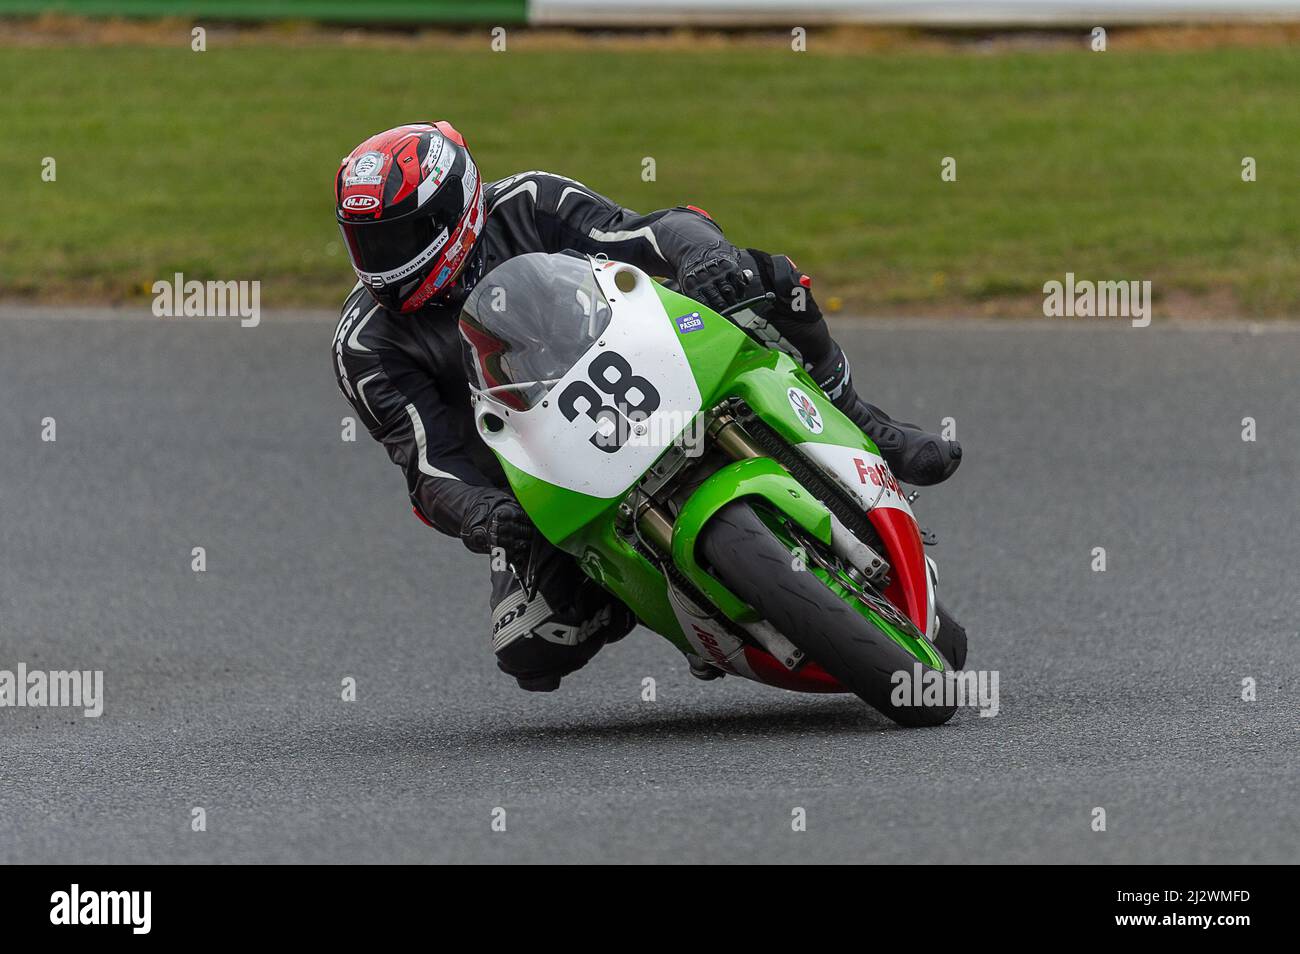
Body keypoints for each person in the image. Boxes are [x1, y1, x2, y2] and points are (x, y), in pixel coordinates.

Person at [331, 121, 961, 691]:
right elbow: (429, 465)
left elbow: (646, 230)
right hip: (539, 473)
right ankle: (630, 591)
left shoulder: (527, 202)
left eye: (400, 238)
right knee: (533, 646)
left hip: (643, 357)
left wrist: (701, 254)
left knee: (764, 278)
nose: (383, 264)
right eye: (367, 244)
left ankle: (861, 419)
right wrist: (485, 515)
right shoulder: (365, 344)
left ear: (457, 209)